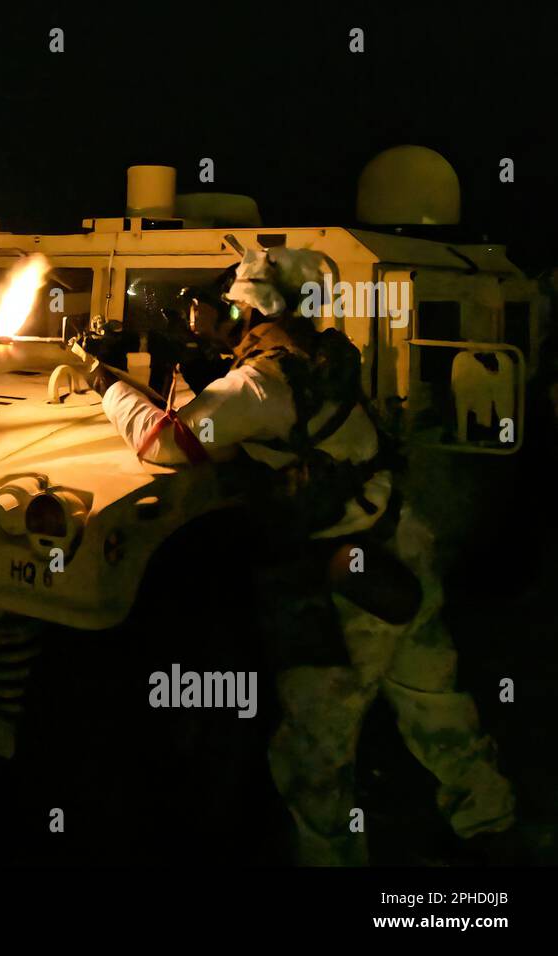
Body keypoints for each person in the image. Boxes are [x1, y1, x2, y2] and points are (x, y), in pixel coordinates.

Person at [88, 247, 517, 865]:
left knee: (314, 756)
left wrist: (105, 381)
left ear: (252, 310)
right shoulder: (318, 355)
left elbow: (167, 439)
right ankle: (489, 822)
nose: (217, 316)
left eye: (230, 308)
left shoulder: (259, 384)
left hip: (346, 582)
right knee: (435, 702)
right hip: (398, 543)